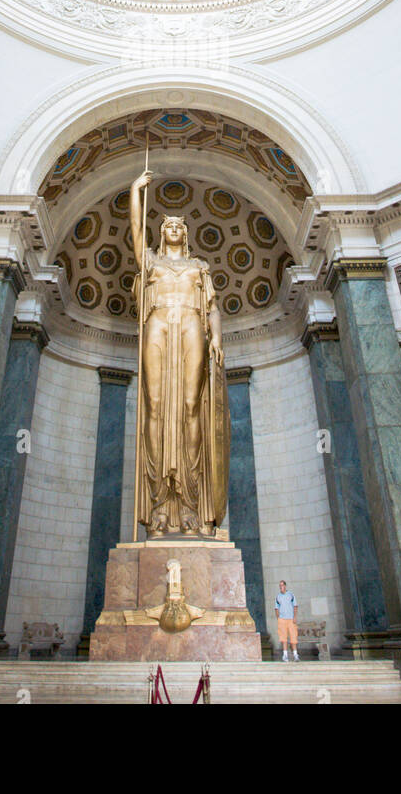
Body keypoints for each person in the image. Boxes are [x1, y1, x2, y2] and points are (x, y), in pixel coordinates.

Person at [130, 167, 228, 537]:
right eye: (167, 224)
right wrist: (136, 190)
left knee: (190, 407)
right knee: (155, 406)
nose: (172, 227)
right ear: (161, 232)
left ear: (184, 234)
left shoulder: (199, 267)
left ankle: (188, 502)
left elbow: (213, 307)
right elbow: (136, 232)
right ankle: (159, 502)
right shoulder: (150, 262)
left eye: (178, 225)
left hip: (191, 325)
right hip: (157, 325)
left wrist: (216, 336)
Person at [275, 580, 299, 661]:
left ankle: (295, 654)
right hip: (282, 619)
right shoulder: (278, 596)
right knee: (283, 638)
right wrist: (278, 618)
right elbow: (276, 608)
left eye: (282, 585)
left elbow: (295, 606)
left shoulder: (291, 595)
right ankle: (285, 655)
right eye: (280, 586)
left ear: (285, 586)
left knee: (293, 637)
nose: (281, 587)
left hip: (291, 619)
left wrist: (295, 617)